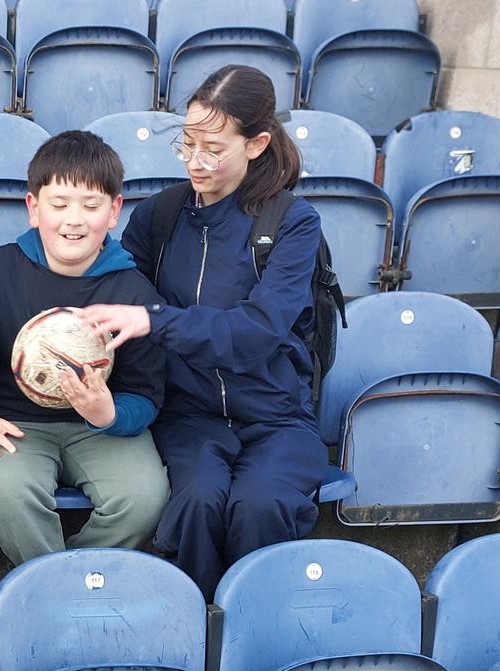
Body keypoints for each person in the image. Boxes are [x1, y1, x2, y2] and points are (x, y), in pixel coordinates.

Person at [82, 64, 330, 596]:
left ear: (257, 143)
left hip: (276, 416)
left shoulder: (292, 222)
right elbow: (108, 282)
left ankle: (254, 632)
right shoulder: (160, 215)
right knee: (196, 502)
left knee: (261, 505)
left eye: (213, 148)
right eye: (186, 143)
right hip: (188, 414)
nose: (196, 161)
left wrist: (155, 319)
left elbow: (261, 330)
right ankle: (191, 635)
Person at [0, 130, 170, 567]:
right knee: (6, 490)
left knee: (144, 496)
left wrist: (109, 414)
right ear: (34, 208)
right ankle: (52, 587)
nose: (74, 219)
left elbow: (147, 394)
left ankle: (78, 578)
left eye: (91, 206)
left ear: (114, 212)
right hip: (12, 424)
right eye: (59, 205)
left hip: (100, 430)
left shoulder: (133, 292)